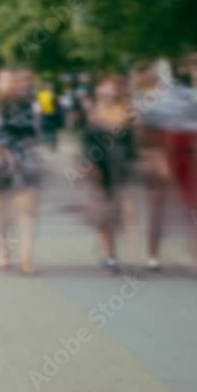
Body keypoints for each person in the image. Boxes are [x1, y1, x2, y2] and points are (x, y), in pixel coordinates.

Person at [135, 59, 197, 278]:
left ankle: (154, 257)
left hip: (173, 146)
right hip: (188, 147)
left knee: (158, 205)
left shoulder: (153, 99)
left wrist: (153, 156)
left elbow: (146, 131)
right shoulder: (196, 96)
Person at [0, 67, 43, 274]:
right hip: (0, 160)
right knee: (1, 209)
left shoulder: (29, 104)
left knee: (28, 207)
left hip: (26, 157)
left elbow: (35, 132)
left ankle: (27, 255)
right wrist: (7, 154)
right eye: (3, 80)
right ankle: (4, 250)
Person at [80, 74, 138, 274]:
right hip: (99, 168)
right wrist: (88, 164)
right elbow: (86, 141)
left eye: (110, 89)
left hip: (121, 168)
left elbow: (133, 144)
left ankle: (133, 252)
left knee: (125, 210)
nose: (106, 93)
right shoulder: (93, 113)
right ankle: (110, 255)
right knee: (103, 213)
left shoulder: (128, 113)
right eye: (103, 90)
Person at [37, 81, 60, 150]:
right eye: (48, 86)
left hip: (52, 114)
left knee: (52, 129)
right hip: (45, 114)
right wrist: (40, 112)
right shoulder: (41, 94)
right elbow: (40, 104)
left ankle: (53, 143)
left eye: (50, 86)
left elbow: (57, 104)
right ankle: (48, 143)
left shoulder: (53, 94)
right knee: (46, 128)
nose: (49, 87)